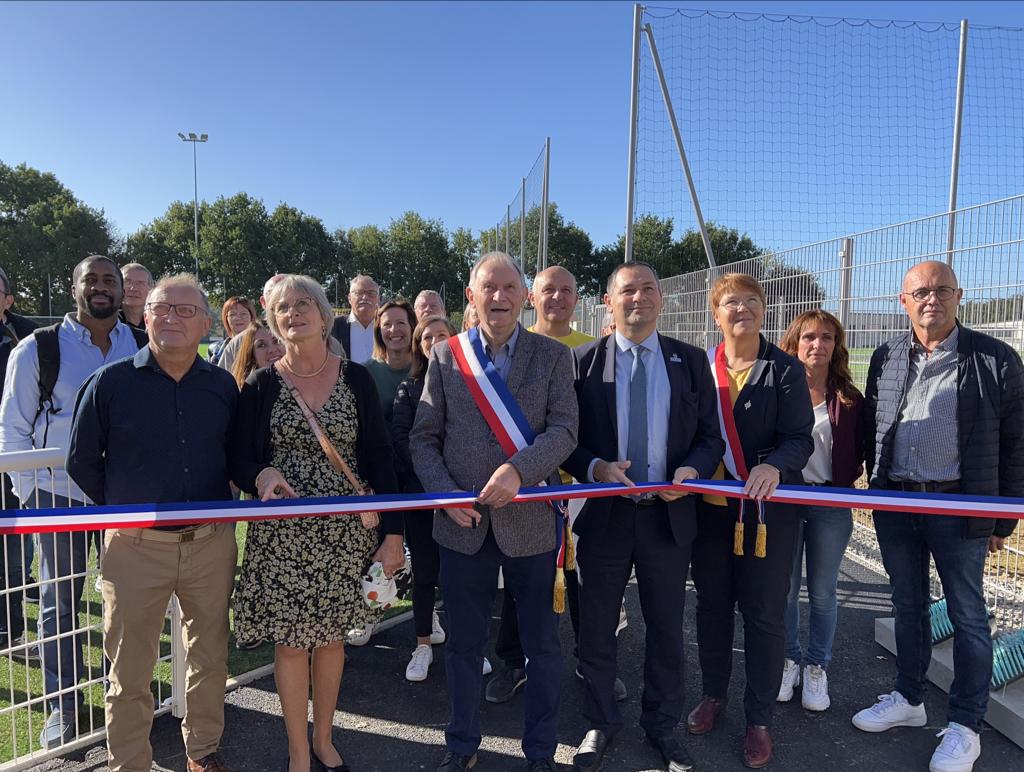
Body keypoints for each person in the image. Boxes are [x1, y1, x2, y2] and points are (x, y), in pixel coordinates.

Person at [852, 260, 1023, 772]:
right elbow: (873, 425)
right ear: (903, 301)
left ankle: (966, 726)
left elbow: (1016, 445)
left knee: (968, 614)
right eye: (921, 292)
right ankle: (909, 698)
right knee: (908, 605)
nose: (932, 299)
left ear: (959, 296)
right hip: (897, 504)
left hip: (958, 507)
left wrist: (1002, 519)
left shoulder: (995, 359)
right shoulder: (886, 356)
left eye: (942, 290)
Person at [411, 252, 577, 772]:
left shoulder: (553, 356)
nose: (499, 297)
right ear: (471, 295)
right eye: (489, 287)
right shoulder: (446, 356)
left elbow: (565, 431)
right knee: (463, 647)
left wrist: (518, 472)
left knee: (541, 648)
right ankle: (461, 745)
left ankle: (541, 753)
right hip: (462, 526)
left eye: (509, 288)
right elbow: (423, 438)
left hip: (531, 525)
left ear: (524, 297)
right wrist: (445, 495)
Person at [231, 274, 403, 772]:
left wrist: (393, 532)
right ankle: (298, 750)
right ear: (272, 321)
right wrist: (261, 473)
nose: (294, 313)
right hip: (283, 535)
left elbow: (380, 457)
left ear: (325, 315)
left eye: (303, 303)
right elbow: (238, 458)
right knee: (290, 646)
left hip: (344, 533)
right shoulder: (261, 385)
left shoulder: (357, 379)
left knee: (331, 641)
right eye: (283, 308)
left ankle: (324, 738)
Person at [66, 273, 238, 772]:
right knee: (130, 669)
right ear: (144, 316)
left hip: (210, 544)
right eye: (162, 308)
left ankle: (202, 751)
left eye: (186, 310)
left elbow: (235, 455)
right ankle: (129, 763)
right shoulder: (110, 383)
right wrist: (127, 508)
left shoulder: (222, 387)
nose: (172, 318)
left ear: (205, 324)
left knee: (210, 657)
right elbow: (82, 461)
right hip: (135, 547)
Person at [564, 261, 724, 772]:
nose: (639, 298)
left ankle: (662, 725)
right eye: (627, 290)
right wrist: (595, 466)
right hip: (605, 516)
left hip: (667, 518)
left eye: (648, 289)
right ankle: (600, 722)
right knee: (597, 628)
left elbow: (710, 437)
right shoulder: (583, 362)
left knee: (666, 628)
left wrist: (694, 471)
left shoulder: (690, 360)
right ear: (609, 302)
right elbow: (564, 438)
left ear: (662, 299)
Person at [0, 254, 146, 750]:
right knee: (58, 604)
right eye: (91, 279)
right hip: (57, 497)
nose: (101, 287)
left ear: (122, 290)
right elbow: (12, 431)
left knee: (126, 603)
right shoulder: (38, 349)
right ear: (74, 288)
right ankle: (63, 704)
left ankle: (120, 694)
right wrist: (32, 496)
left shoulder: (140, 344)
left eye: (110, 280)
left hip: (123, 501)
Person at [686, 273, 813, 769]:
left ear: (764, 310)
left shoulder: (784, 369)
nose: (742, 309)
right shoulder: (702, 367)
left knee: (763, 615)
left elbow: (799, 438)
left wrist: (774, 465)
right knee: (712, 607)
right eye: (731, 302)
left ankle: (758, 718)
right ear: (715, 313)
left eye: (752, 301)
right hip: (710, 514)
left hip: (765, 516)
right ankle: (713, 695)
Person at [487, 265, 607, 704]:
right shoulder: (511, 346)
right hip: (527, 487)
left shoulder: (594, 350)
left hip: (580, 488)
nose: (557, 297)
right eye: (548, 290)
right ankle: (513, 663)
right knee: (521, 585)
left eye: (567, 290)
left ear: (577, 298)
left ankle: (592, 663)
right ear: (531, 297)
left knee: (585, 584)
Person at [777, 310, 864, 712]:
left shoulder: (849, 398)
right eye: (809, 337)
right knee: (785, 589)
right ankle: (788, 660)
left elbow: (860, 451)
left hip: (830, 503)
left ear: (836, 345)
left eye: (827, 337)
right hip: (786, 501)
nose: (818, 344)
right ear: (795, 343)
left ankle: (817, 666)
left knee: (824, 592)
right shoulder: (779, 390)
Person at [392, 315, 459, 681]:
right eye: (427, 337)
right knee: (425, 573)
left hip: (461, 499)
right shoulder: (408, 389)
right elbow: (402, 440)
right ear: (418, 346)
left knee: (459, 576)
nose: (435, 342)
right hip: (420, 497)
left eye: (441, 335)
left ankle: (465, 644)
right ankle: (422, 646)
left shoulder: (471, 385)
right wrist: (434, 480)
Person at [0, 266, 39, 657]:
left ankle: (10, 633)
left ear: (9, 300)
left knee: (13, 555)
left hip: (7, 462)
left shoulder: (25, 338)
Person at [218, 275, 286, 372]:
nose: (281, 299)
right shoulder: (238, 343)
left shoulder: (307, 337)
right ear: (263, 302)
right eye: (273, 293)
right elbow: (224, 379)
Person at [364, 299, 415, 424]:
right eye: (387, 324)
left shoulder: (427, 369)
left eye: (401, 323)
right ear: (379, 332)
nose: (393, 329)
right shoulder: (365, 373)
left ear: (412, 327)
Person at [328, 274, 380, 364]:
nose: (365, 297)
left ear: (378, 299)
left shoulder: (386, 326)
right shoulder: (333, 326)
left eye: (371, 293)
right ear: (349, 298)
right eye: (359, 293)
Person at [230, 321, 285, 389]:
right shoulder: (248, 389)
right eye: (262, 345)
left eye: (277, 341)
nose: (272, 350)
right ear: (252, 355)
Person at [208, 296, 257, 366]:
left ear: (251, 317)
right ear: (226, 319)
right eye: (232, 314)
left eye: (243, 314)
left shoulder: (260, 346)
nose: (238, 318)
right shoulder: (214, 350)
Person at [119, 263, 153, 330]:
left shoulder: (158, 322)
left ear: (150, 289)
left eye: (140, 283)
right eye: (127, 282)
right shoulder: (107, 321)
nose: (133, 288)